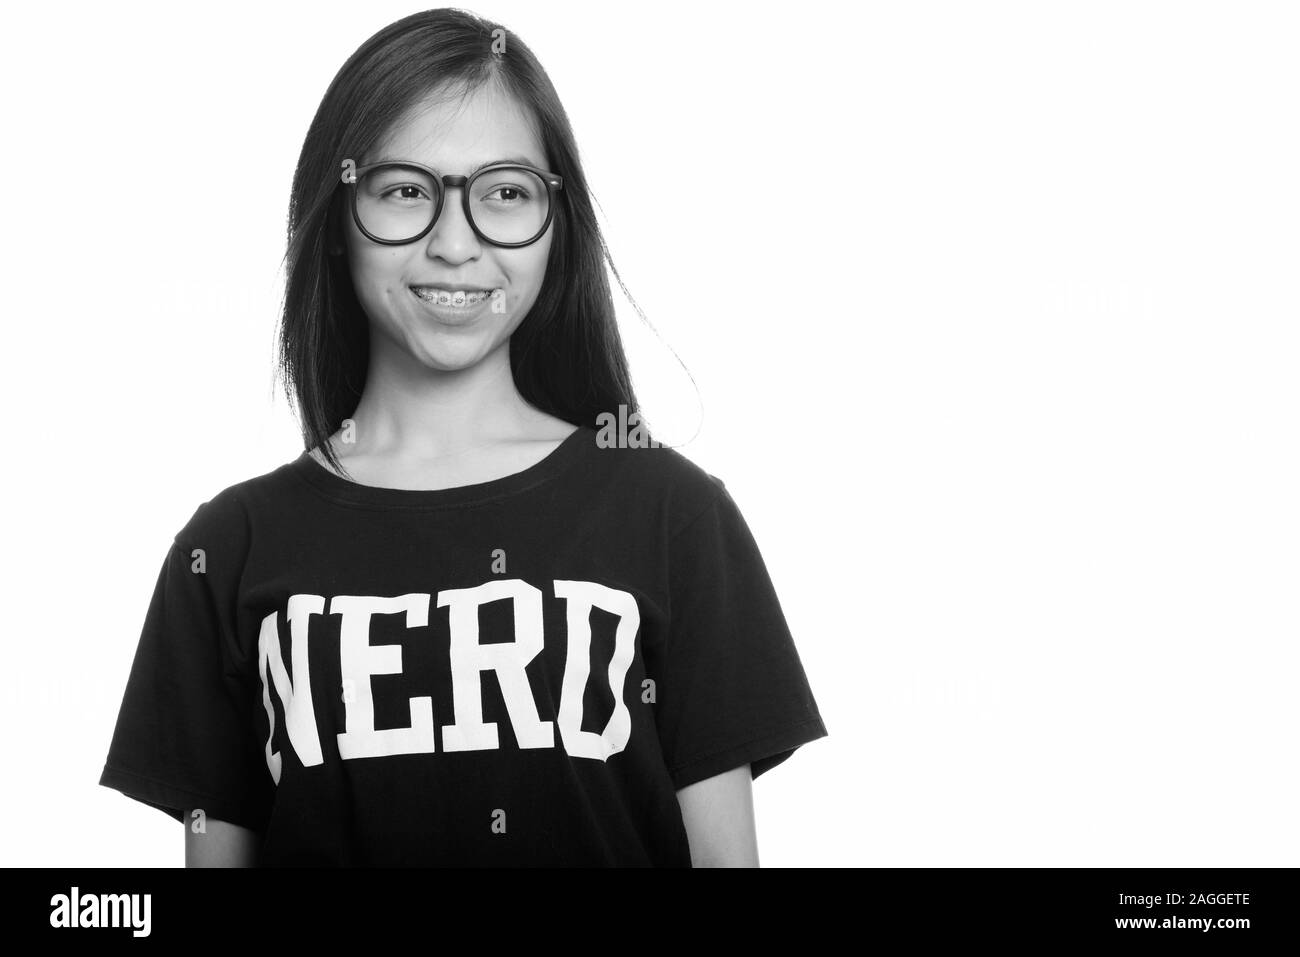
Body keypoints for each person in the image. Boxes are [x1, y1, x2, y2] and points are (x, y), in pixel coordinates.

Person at [97, 7, 827, 867]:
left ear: (558, 221)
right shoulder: (228, 549)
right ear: (338, 213)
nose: (455, 243)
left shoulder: (674, 516)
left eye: (506, 192)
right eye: (406, 190)